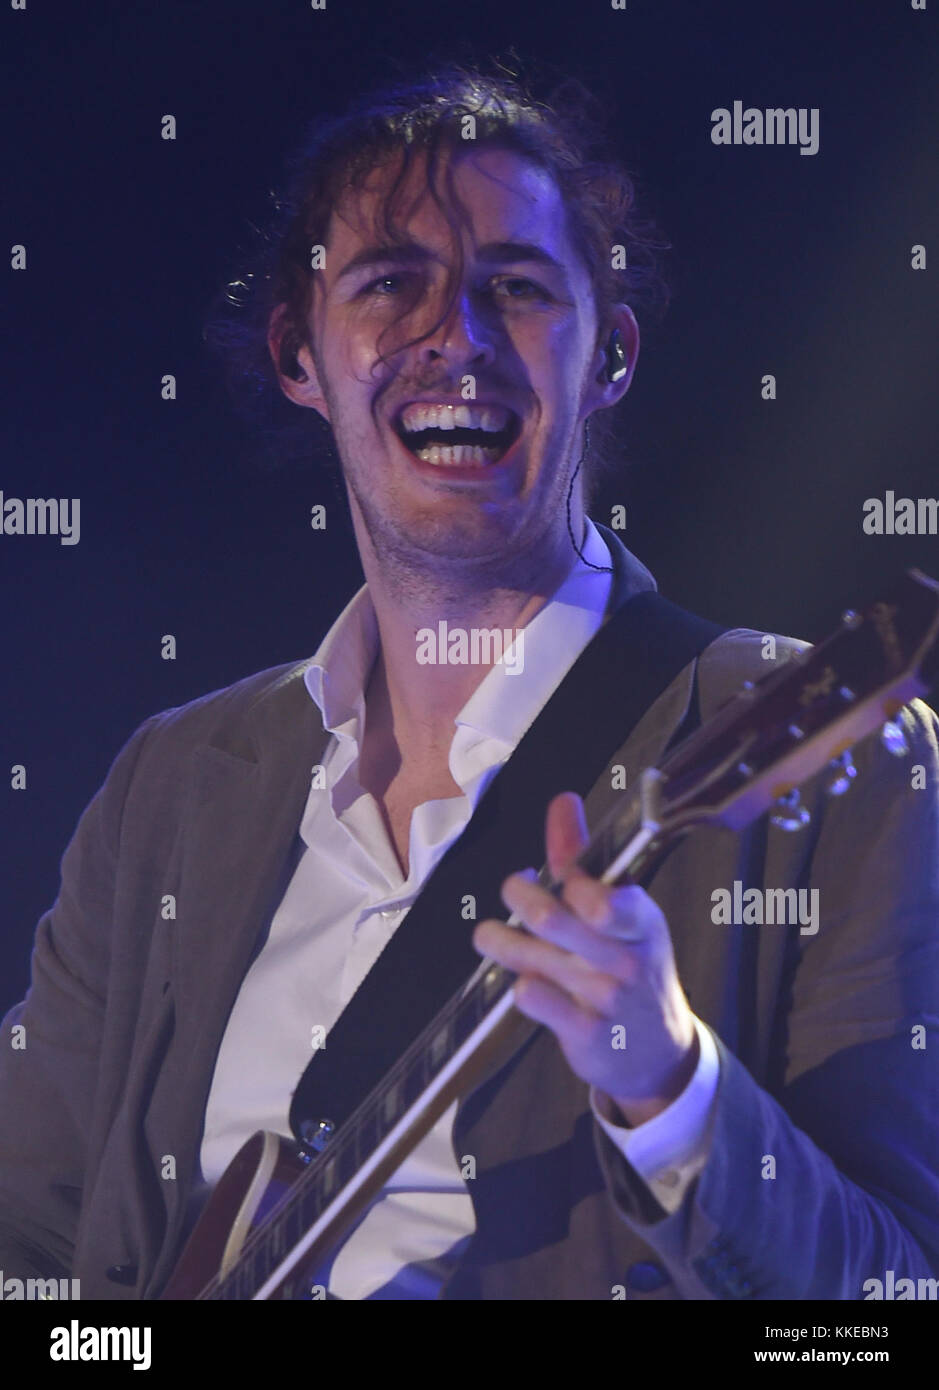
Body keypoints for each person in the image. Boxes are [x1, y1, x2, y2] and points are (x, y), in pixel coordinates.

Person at [1, 65, 937, 1302]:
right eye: (393, 282)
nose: (459, 337)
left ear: (609, 355)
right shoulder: (170, 788)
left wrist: (669, 1088)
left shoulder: (841, 760)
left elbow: (890, 1301)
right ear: (300, 351)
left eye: (518, 288)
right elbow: (31, 1250)